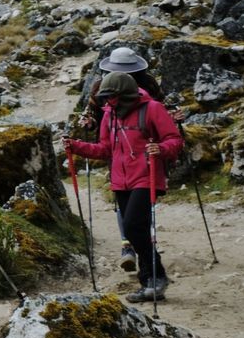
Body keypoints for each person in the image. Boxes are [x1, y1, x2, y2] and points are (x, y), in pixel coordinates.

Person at [64, 72, 182, 303]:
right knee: (132, 231)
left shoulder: (153, 109)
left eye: (111, 97)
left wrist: (160, 148)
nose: (107, 102)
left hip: (146, 177)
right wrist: (76, 146)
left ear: (125, 95)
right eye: (105, 98)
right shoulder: (110, 115)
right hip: (121, 180)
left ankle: (156, 277)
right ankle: (150, 281)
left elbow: (174, 140)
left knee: (133, 227)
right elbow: (105, 149)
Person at [77, 46, 173, 271]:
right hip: (117, 149)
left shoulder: (148, 90)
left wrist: (162, 142)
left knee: (135, 215)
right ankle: (133, 247)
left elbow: (161, 114)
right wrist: (89, 126)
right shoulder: (102, 87)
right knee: (128, 211)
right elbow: (93, 111)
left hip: (144, 156)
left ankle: (142, 252)